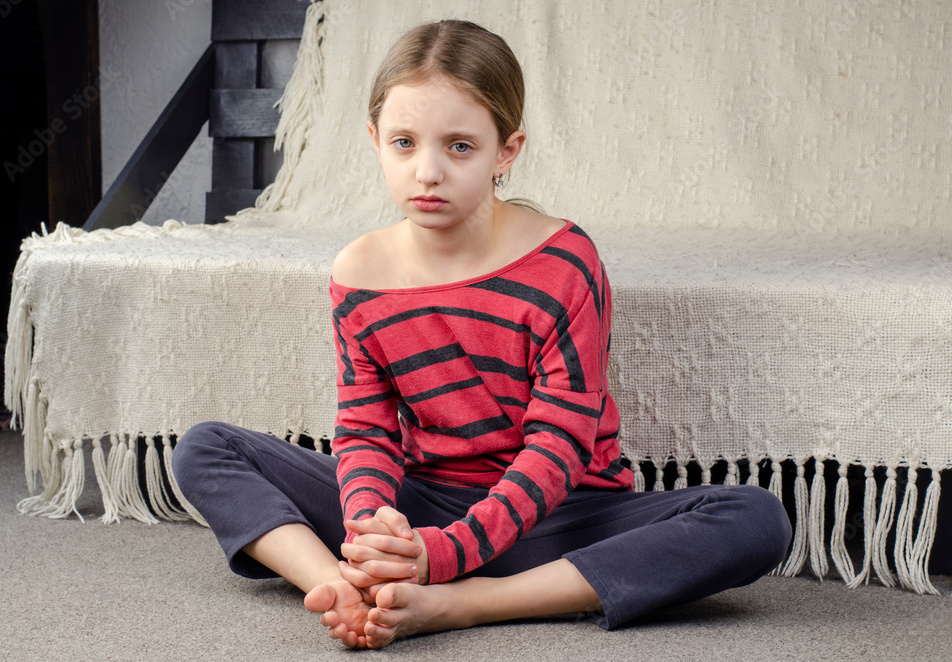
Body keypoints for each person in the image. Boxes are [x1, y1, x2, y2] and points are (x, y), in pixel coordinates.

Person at [171, 19, 792, 650]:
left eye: (460, 146)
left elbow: (560, 445)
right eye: (404, 143)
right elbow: (366, 429)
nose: (428, 171)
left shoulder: (563, 263)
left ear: (507, 151)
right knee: (205, 448)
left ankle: (465, 604)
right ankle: (342, 584)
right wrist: (371, 531)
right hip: (422, 506)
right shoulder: (358, 274)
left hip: (559, 516)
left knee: (754, 518)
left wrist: (441, 560)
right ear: (374, 141)